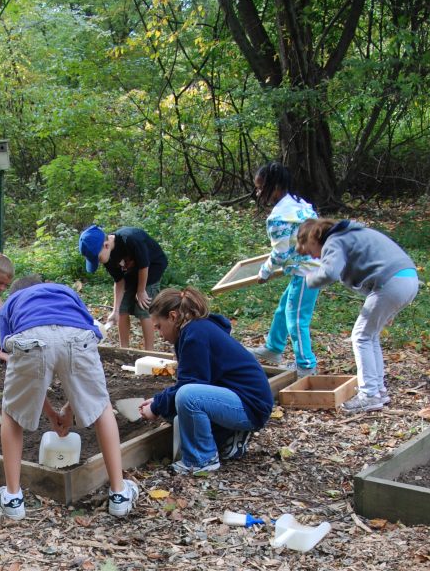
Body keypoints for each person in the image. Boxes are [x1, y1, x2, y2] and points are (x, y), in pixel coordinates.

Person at [0, 276, 139, 521]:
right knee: (101, 406)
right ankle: (119, 493)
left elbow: (20, 367)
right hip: (77, 336)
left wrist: (51, 412)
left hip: (31, 338)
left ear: (17, 291)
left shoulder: (11, 303)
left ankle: (12, 498)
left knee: (11, 411)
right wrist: (66, 410)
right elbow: (83, 336)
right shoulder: (64, 292)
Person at [139, 287, 273, 475]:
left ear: (172, 316)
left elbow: (190, 386)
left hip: (250, 405)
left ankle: (201, 460)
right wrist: (159, 403)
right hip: (245, 400)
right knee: (175, 408)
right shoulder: (197, 329)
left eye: (158, 326)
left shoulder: (195, 334)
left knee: (187, 396)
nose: (159, 333)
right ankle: (230, 437)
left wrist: (156, 406)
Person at [296, 217, 419, 412]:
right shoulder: (351, 234)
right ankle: (378, 390)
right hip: (407, 279)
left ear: (313, 237)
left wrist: (309, 278)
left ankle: (369, 395)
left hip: (392, 282)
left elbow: (330, 273)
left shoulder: (335, 240)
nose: (306, 252)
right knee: (369, 336)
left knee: (361, 336)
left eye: (305, 246)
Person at [249, 162, 319, 377]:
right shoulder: (300, 204)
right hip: (313, 266)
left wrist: (265, 271)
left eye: (261, 188)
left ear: (276, 186)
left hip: (306, 272)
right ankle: (274, 347)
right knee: (284, 308)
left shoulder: (278, 217)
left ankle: (306, 366)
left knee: (296, 318)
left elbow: (280, 254)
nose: (259, 193)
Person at [78, 224, 168, 350]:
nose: (98, 262)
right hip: (132, 271)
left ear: (106, 245)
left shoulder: (131, 239)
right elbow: (119, 281)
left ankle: (149, 351)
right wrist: (115, 310)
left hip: (152, 267)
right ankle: (124, 349)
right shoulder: (107, 256)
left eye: (97, 259)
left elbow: (144, 266)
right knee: (122, 309)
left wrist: (141, 291)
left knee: (143, 308)